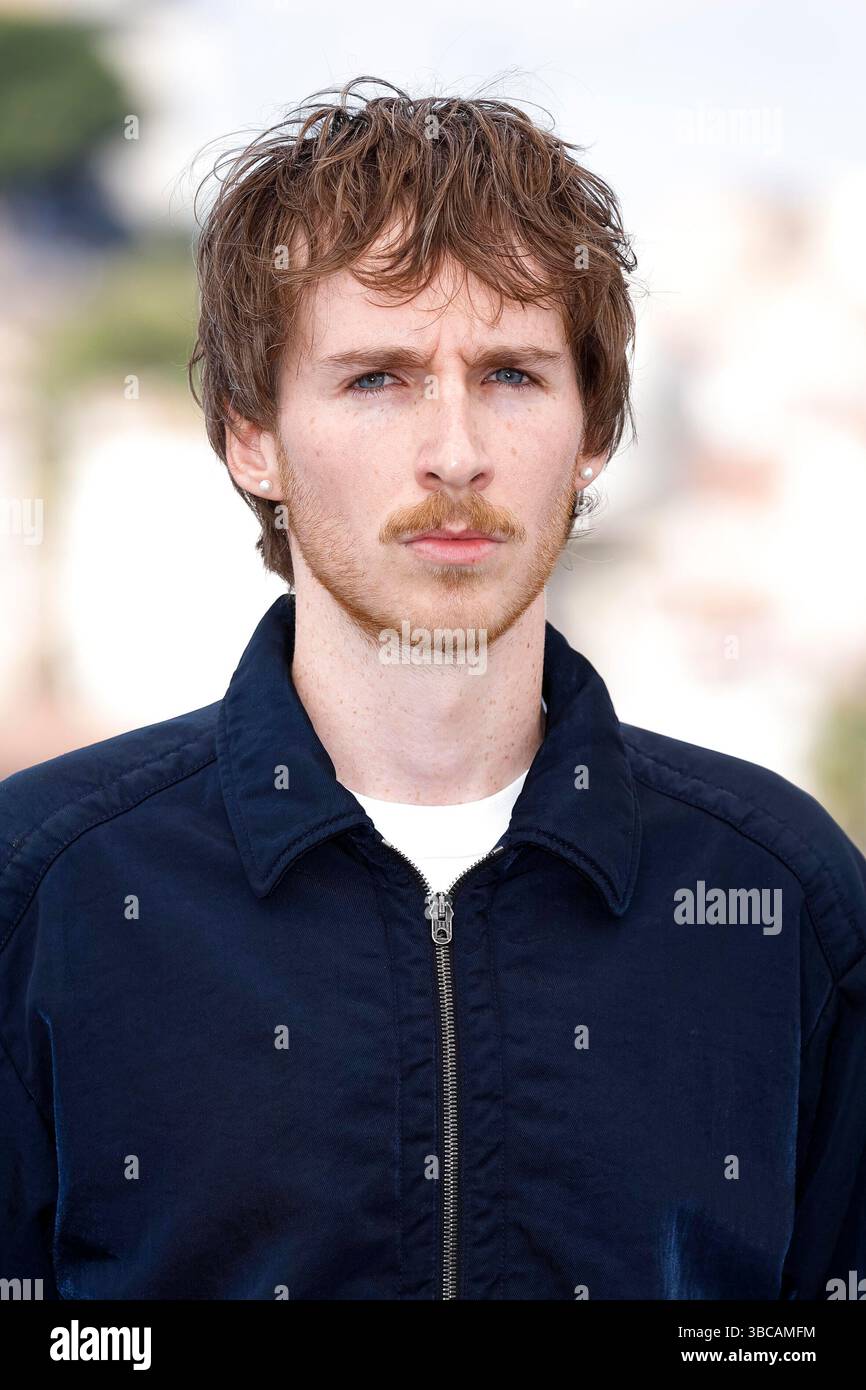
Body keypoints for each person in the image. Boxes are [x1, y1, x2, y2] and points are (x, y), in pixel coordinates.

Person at [1, 76, 864, 1302]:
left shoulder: (780, 897)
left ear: (591, 432)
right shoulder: (47, 894)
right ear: (253, 436)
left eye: (510, 374)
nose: (454, 452)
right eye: (377, 378)